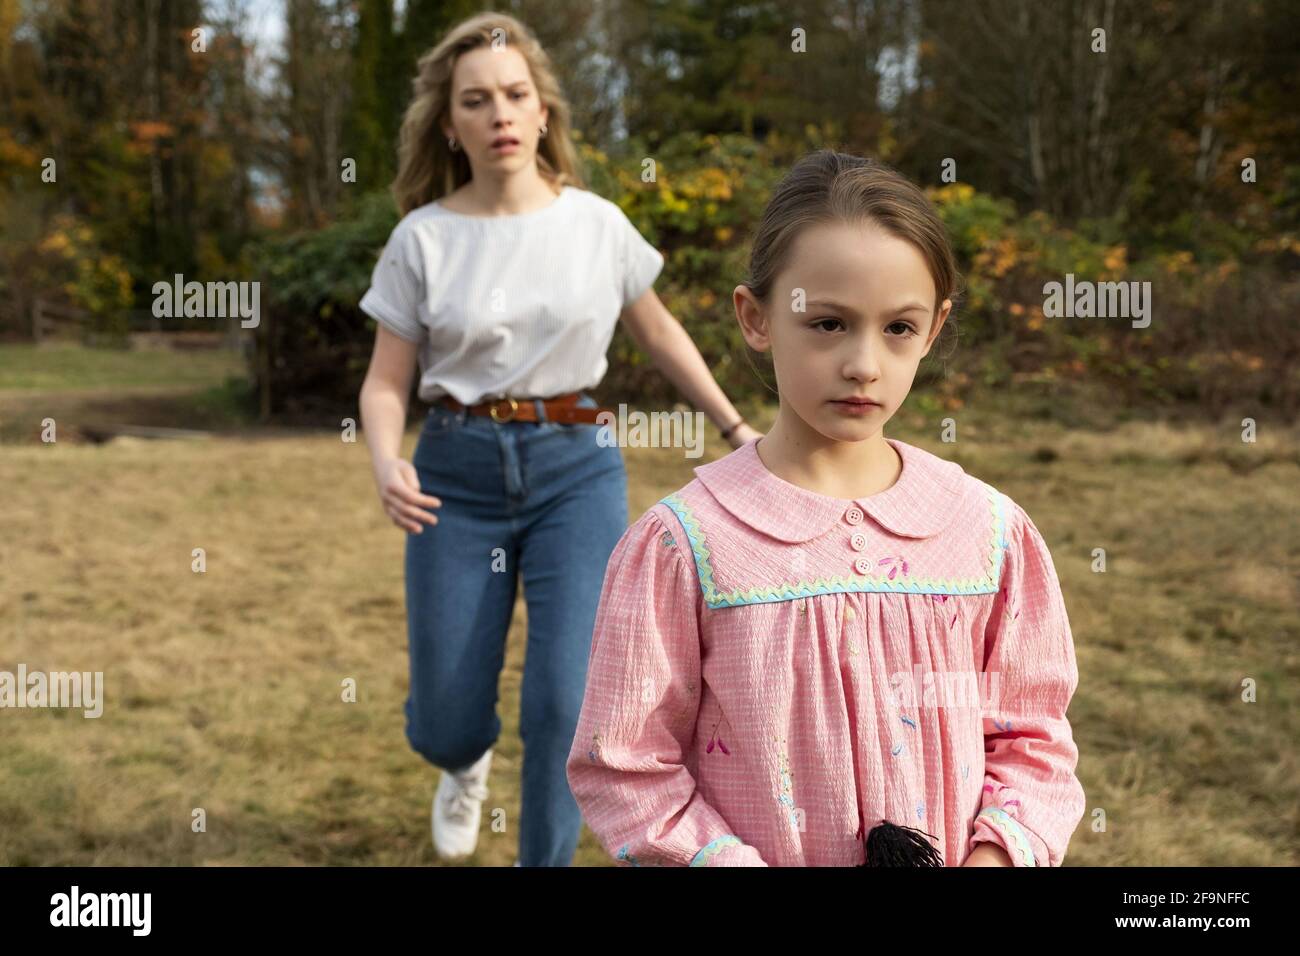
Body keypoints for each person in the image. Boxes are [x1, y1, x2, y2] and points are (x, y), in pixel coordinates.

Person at [565, 150, 1087, 866]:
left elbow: (1033, 736)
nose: (863, 364)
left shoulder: (989, 534)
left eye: (897, 328)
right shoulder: (683, 545)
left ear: (933, 330)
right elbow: (623, 762)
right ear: (757, 318)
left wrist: (998, 856)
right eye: (829, 324)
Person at [357, 12, 760, 867]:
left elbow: (658, 334)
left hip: (575, 471)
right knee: (445, 718)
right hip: (454, 477)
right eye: (477, 100)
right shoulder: (421, 239)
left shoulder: (596, 225)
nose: (500, 112)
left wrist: (732, 424)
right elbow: (388, 379)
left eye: (515, 94)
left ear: (543, 113)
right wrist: (386, 458)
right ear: (450, 124)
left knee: (567, 703)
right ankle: (460, 762)